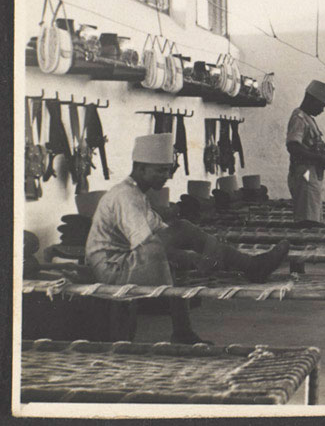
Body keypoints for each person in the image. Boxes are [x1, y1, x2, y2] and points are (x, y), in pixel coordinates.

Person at [85, 133, 290, 344]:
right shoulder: (125, 197)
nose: (166, 176)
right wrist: (193, 258)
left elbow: (164, 234)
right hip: (111, 268)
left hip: (125, 261)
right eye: (160, 170)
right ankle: (250, 266)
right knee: (180, 236)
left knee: (181, 235)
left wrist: (200, 251)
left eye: (168, 170)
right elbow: (153, 244)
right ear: (140, 168)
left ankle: (184, 330)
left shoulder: (136, 194)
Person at [287, 79, 325, 224]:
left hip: (311, 173)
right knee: (307, 220)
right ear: (311, 100)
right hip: (305, 174)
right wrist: (318, 158)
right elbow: (293, 146)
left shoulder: (309, 119)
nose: (322, 110)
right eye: (321, 106)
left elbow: (311, 145)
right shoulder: (299, 118)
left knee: (312, 215)